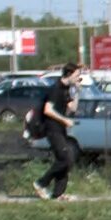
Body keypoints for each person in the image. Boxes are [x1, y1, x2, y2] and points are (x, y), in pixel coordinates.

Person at [32, 62, 81, 200]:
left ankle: (58, 194)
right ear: (69, 74)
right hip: (52, 128)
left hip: (61, 128)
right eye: (77, 75)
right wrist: (64, 120)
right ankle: (41, 183)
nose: (78, 78)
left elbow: (72, 108)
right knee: (64, 158)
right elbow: (48, 110)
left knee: (67, 159)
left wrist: (77, 92)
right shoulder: (56, 88)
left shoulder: (66, 89)